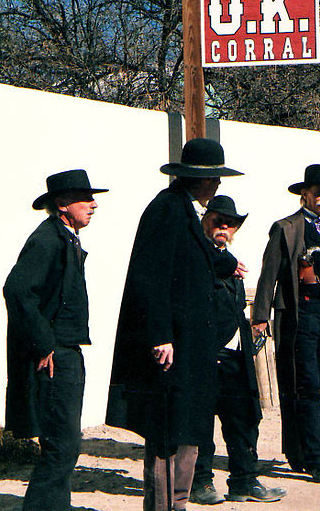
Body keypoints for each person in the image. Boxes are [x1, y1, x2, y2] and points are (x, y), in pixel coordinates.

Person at [106, 138, 243, 511]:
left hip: (189, 348)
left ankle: (177, 504)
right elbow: (150, 277)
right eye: (213, 178)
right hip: (172, 347)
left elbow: (188, 262)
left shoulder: (183, 210)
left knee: (185, 428)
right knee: (169, 431)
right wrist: (161, 335)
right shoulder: (167, 210)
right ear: (197, 178)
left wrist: (225, 264)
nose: (217, 185)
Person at [4, 169, 107, 511]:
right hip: (54, 354)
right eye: (85, 199)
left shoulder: (64, 237)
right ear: (62, 205)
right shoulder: (47, 239)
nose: (93, 205)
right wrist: (43, 343)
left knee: (65, 441)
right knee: (60, 443)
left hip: (65, 350)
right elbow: (17, 290)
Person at [251, 164, 320, 484]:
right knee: (304, 384)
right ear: (303, 194)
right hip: (298, 313)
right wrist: (260, 317)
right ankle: (316, 458)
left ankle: (296, 452)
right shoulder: (286, 228)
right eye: (317, 191)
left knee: (312, 380)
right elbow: (269, 274)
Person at [190, 195, 287, 505]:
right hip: (205, 357)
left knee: (245, 420)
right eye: (218, 221)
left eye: (229, 224)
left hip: (235, 355)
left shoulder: (230, 259)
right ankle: (200, 482)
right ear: (205, 222)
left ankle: (244, 481)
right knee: (202, 423)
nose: (223, 227)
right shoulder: (197, 257)